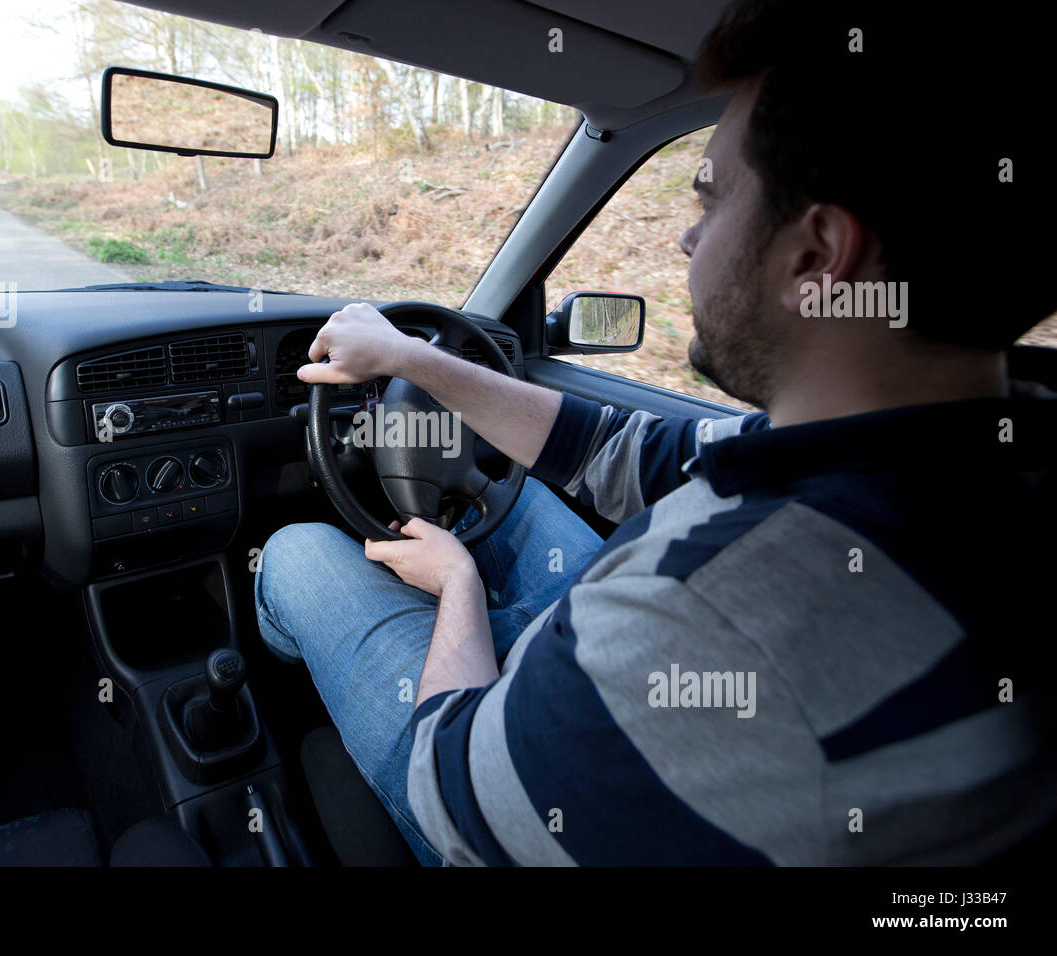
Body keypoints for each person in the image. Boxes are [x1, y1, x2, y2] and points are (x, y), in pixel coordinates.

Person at [254, 0, 1055, 865]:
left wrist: (455, 592)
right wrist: (415, 358)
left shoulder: (723, 614)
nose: (687, 234)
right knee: (525, 512)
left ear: (818, 255)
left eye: (710, 193)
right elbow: (617, 453)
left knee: (298, 552)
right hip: (683, 738)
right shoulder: (960, 443)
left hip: (508, 804)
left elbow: (446, 787)